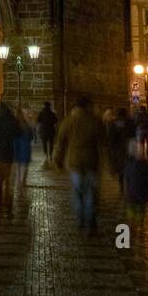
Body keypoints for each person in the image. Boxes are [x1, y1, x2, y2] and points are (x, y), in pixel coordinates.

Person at [54, 95, 103, 235]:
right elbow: (104, 144)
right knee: (91, 193)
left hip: (74, 161)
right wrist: (110, 164)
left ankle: (80, 218)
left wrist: (58, 161)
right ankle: (89, 222)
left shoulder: (68, 121)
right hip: (91, 161)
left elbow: (60, 143)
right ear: (88, 106)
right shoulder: (95, 121)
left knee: (78, 192)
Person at [123, 135, 148, 227]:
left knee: (131, 207)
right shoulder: (147, 164)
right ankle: (140, 225)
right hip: (143, 192)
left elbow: (126, 177)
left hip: (131, 191)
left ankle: (131, 223)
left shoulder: (128, 163)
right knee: (141, 209)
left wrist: (126, 188)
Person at [105, 107, 132, 191]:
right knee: (129, 166)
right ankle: (128, 184)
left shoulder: (113, 123)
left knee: (120, 167)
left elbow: (110, 136)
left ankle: (121, 185)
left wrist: (112, 147)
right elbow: (134, 135)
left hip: (118, 148)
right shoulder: (130, 122)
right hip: (128, 147)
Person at [12, 107, 33, 197]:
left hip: (16, 146)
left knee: (17, 165)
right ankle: (22, 181)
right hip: (25, 146)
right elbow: (31, 136)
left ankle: (18, 181)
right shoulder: (26, 124)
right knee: (24, 165)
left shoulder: (14, 124)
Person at [35, 101, 58, 165]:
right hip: (51, 130)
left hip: (44, 130)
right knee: (51, 143)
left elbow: (38, 120)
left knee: (44, 143)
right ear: (49, 106)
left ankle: (46, 155)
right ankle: (50, 155)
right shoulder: (52, 113)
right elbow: (56, 121)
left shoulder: (41, 113)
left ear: (44, 106)